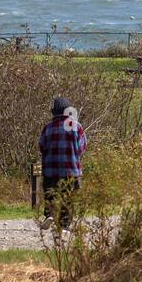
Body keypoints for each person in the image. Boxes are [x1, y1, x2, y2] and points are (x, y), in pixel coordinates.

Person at [38, 96, 87, 229]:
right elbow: (82, 148)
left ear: (53, 111)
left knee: (50, 193)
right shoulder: (77, 127)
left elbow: (41, 146)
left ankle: (50, 214)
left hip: (50, 170)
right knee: (69, 196)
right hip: (71, 170)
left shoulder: (47, 128)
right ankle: (64, 224)